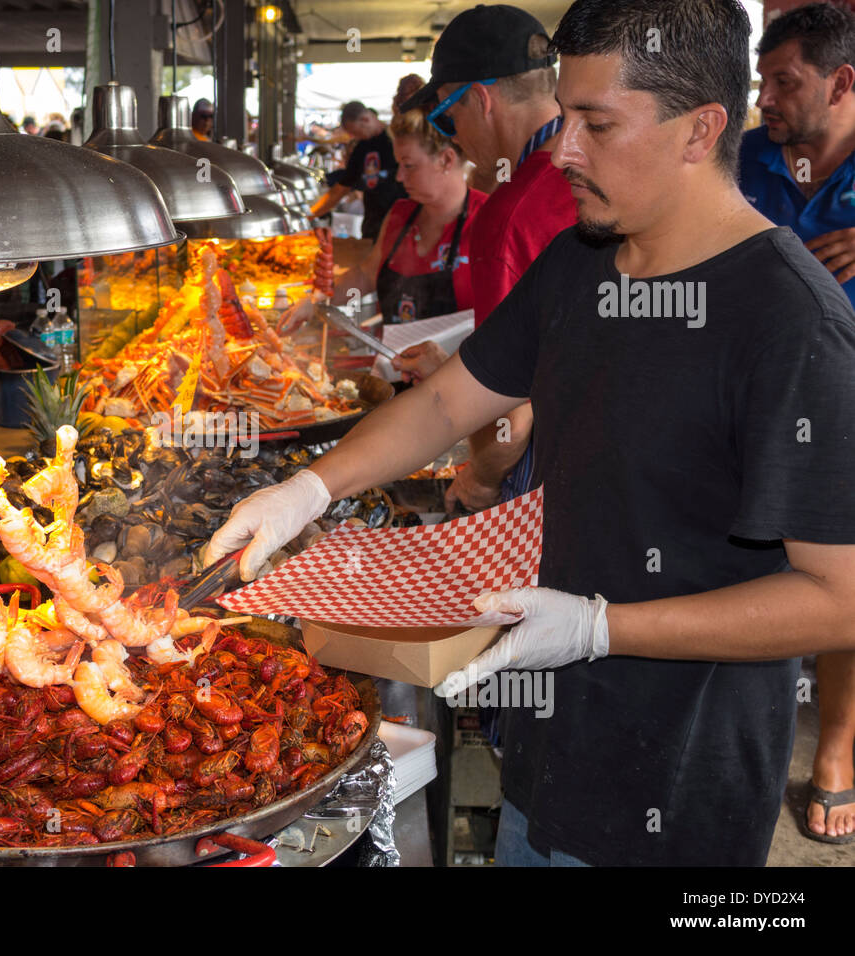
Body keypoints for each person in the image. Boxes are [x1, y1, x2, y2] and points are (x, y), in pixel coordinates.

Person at [205, 0, 855, 867]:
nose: (561, 149)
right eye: (563, 113)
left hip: (676, 795)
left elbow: (837, 596)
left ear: (701, 130)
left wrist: (599, 628)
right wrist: (309, 489)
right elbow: (448, 404)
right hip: (545, 763)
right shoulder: (581, 261)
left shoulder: (790, 325)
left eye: (595, 123)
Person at [740, 1, 855, 844]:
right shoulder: (745, 155)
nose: (766, 99)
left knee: (848, 582)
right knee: (748, 577)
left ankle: (837, 754)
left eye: (785, 82)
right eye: (761, 81)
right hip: (755, 402)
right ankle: (739, 742)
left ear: (843, 83)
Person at [396, 5, 576, 514]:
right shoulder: (600, 173)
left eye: (449, 117)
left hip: (548, 488)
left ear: (479, 99)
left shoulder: (512, 211)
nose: (453, 135)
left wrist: (479, 481)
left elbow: (511, 413)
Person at [281, 102, 489, 340]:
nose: (400, 177)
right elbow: (365, 277)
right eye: (399, 165)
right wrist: (319, 301)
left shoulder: (488, 219)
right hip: (394, 367)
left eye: (409, 166)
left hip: (459, 373)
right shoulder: (400, 214)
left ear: (446, 160)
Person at [310, 101, 407, 241]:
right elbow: (342, 186)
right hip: (373, 224)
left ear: (365, 119)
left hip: (402, 223)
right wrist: (313, 213)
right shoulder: (362, 147)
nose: (355, 137)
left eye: (356, 132)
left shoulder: (396, 139)